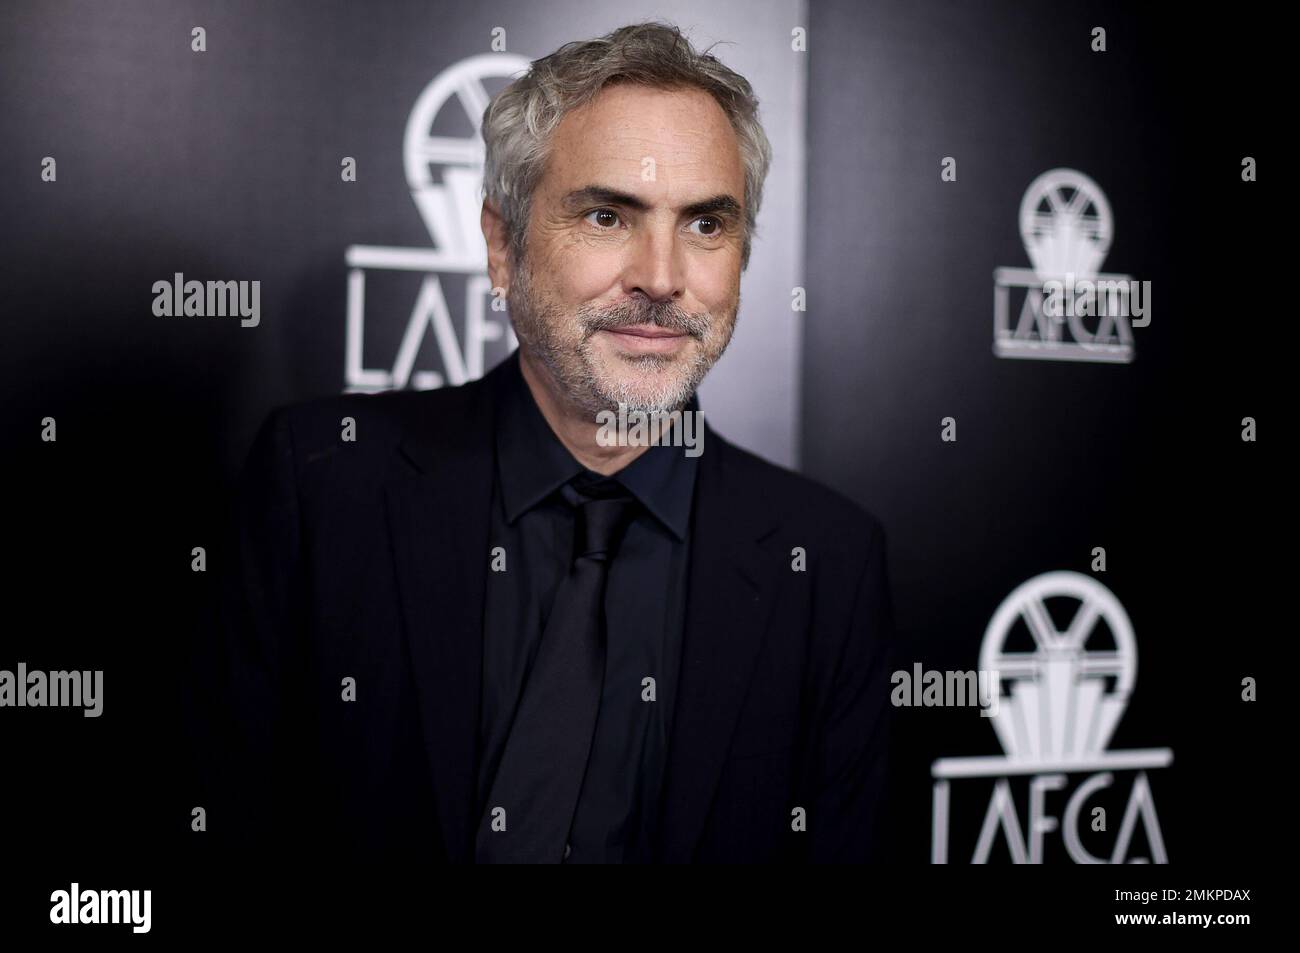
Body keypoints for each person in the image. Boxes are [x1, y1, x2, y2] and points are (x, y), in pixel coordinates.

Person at [219, 21, 896, 864]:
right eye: (608, 215)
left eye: (706, 224)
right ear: (503, 246)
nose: (661, 275)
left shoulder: (827, 561)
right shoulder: (322, 484)